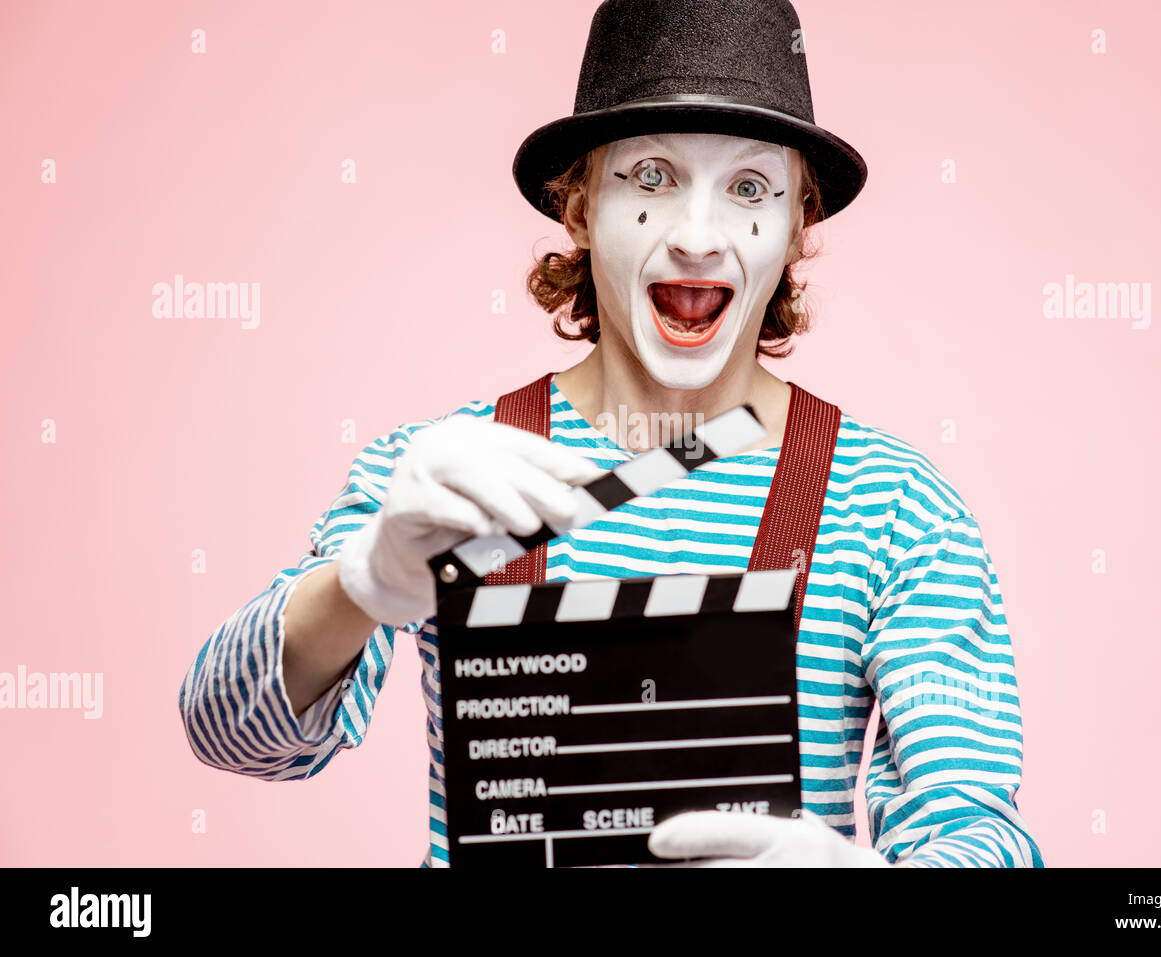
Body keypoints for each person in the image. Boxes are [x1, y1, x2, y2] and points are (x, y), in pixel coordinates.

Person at [179, 0, 1044, 868]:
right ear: (582, 210)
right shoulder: (449, 474)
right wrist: (360, 583)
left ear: (796, 225)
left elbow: (981, 832)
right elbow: (226, 732)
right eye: (653, 178)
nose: (699, 237)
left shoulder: (896, 505)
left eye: (749, 189)